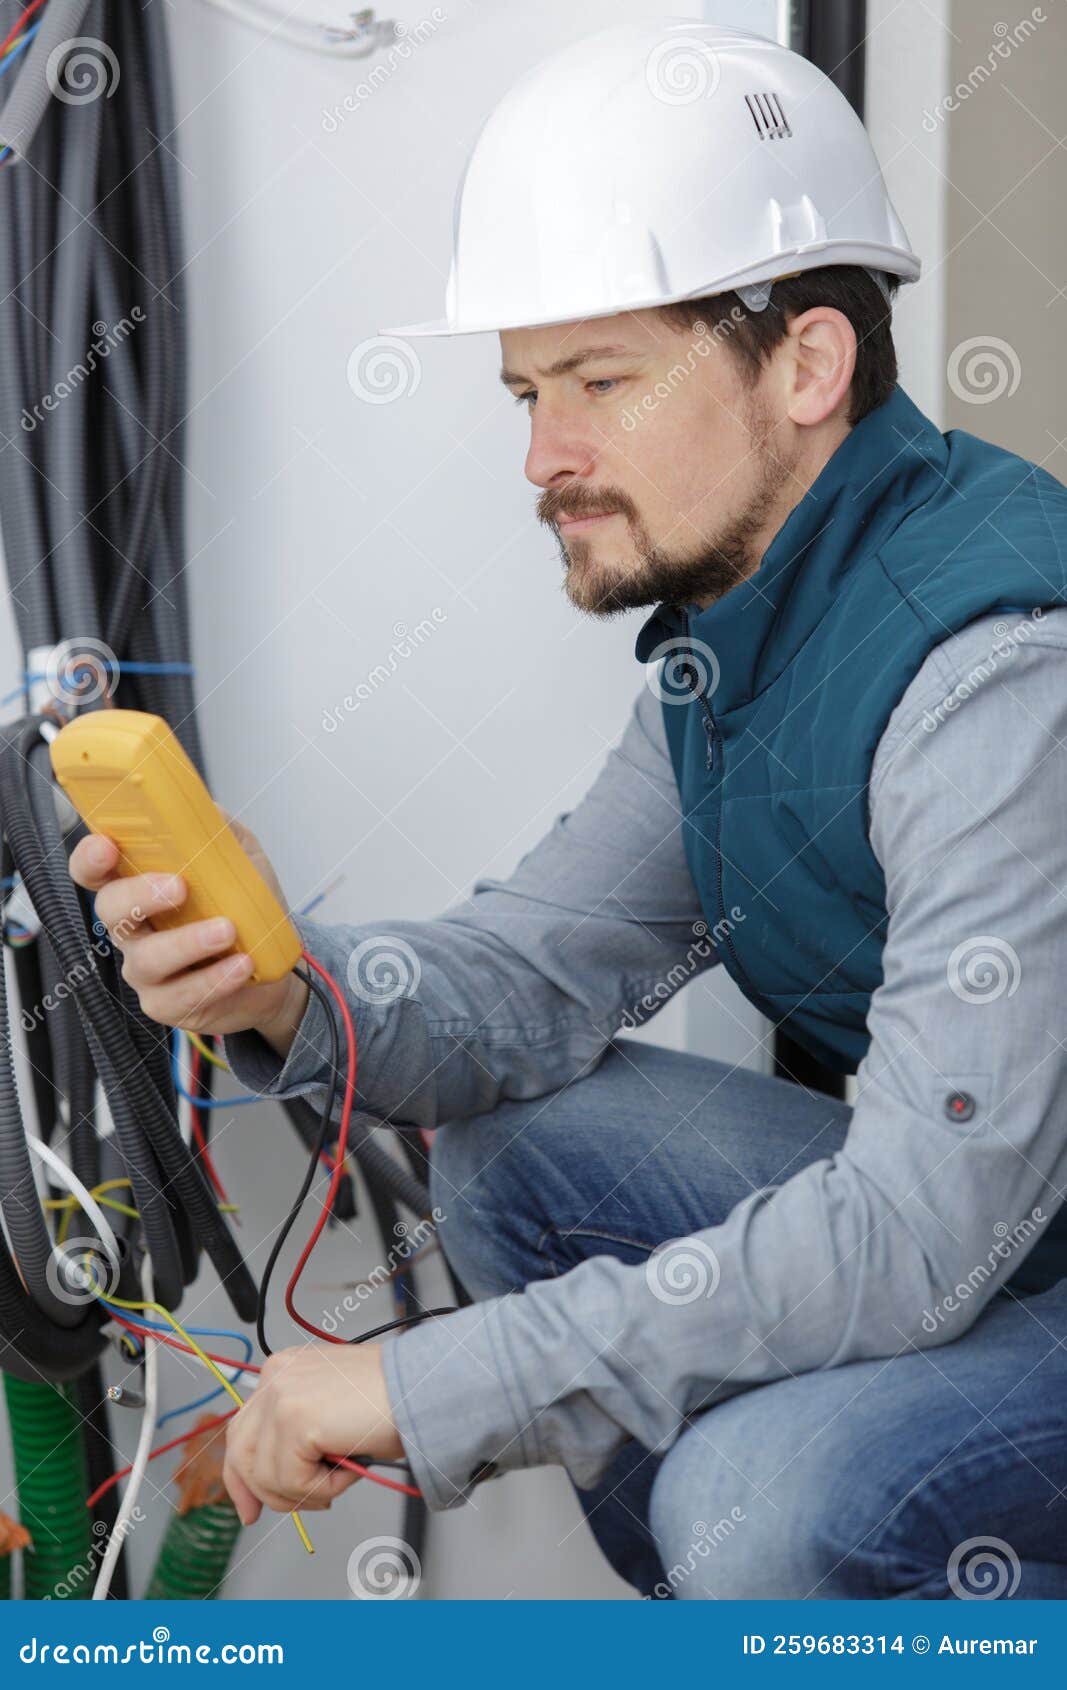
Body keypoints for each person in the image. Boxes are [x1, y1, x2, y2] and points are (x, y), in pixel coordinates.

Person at [71, 22, 1067, 1599]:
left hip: (991, 1236)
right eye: (530, 388)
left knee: (756, 1501)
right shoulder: (739, 636)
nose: (543, 454)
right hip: (1009, 1227)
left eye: (601, 380)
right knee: (517, 1151)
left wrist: (425, 1382)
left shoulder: (996, 683)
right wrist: (277, 975)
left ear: (806, 364)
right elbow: (533, 979)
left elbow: (917, 1237)